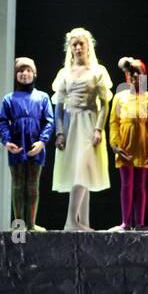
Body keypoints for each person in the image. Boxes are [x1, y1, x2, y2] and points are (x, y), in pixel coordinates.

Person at [50, 27, 113, 230]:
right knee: (77, 171)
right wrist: (59, 131)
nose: (78, 47)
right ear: (70, 47)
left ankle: (79, 221)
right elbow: (58, 107)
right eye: (74, 44)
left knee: (84, 169)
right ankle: (74, 221)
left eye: (81, 44)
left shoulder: (97, 72)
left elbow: (104, 104)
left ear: (88, 46)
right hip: (70, 124)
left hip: (88, 122)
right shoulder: (64, 74)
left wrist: (98, 129)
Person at [0, 57, 55, 231]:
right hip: (17, 145)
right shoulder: (9, 98)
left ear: (34, 73)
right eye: (21, 71)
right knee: (17, 183)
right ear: (16, 75)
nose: (24, 74)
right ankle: (18, 224)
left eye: (28, 70)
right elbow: (2, 121)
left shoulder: (42, 97)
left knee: (32, 184)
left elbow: (49, 121)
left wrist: (42, 141)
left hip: (35, 145)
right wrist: (7, 141)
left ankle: (31, 224)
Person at [108, 57, 148, 230]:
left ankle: (139, 222)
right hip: (126, 146)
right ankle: (125, 221)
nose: (135, 76)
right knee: (126, 184)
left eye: (139, 72)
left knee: (140, 185)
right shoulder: (119, 97)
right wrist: (115, 145)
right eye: (132, 73)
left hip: (143, 146)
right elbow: (114, 122)